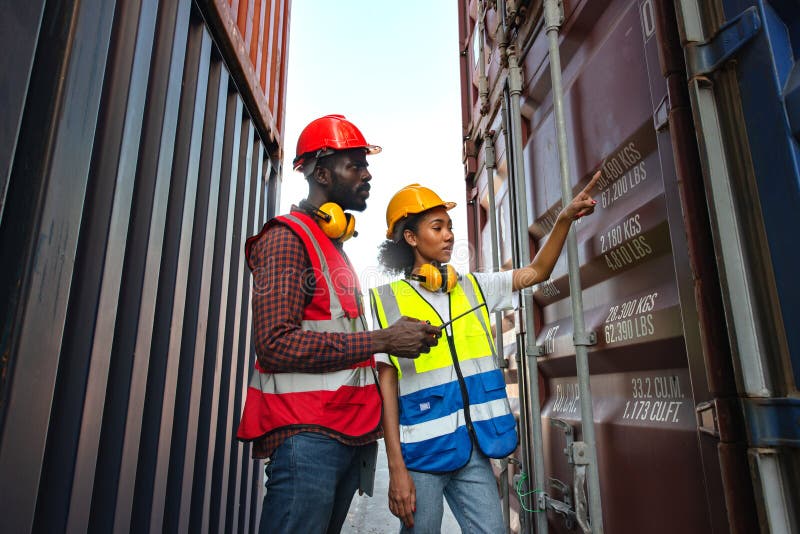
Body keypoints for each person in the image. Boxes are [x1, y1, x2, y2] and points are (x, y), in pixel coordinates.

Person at [236, 115, 442, 534]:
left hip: (344, 435)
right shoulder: (286, 239)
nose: (367, 175)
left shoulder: (332, 247)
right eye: (355, 165)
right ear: (322, 173)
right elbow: (274, 345)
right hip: (307, 438)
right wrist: (383, 339)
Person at [369, 178, 600, 533]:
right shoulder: (387, 301)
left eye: (450, 227)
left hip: (473, 450)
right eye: (437, 227)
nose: (449, 236)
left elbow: (537, 272)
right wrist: (397, 469)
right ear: (411, 238)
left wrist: (564, 219)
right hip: (422, 456)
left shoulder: (474, 287)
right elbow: (386, 389)